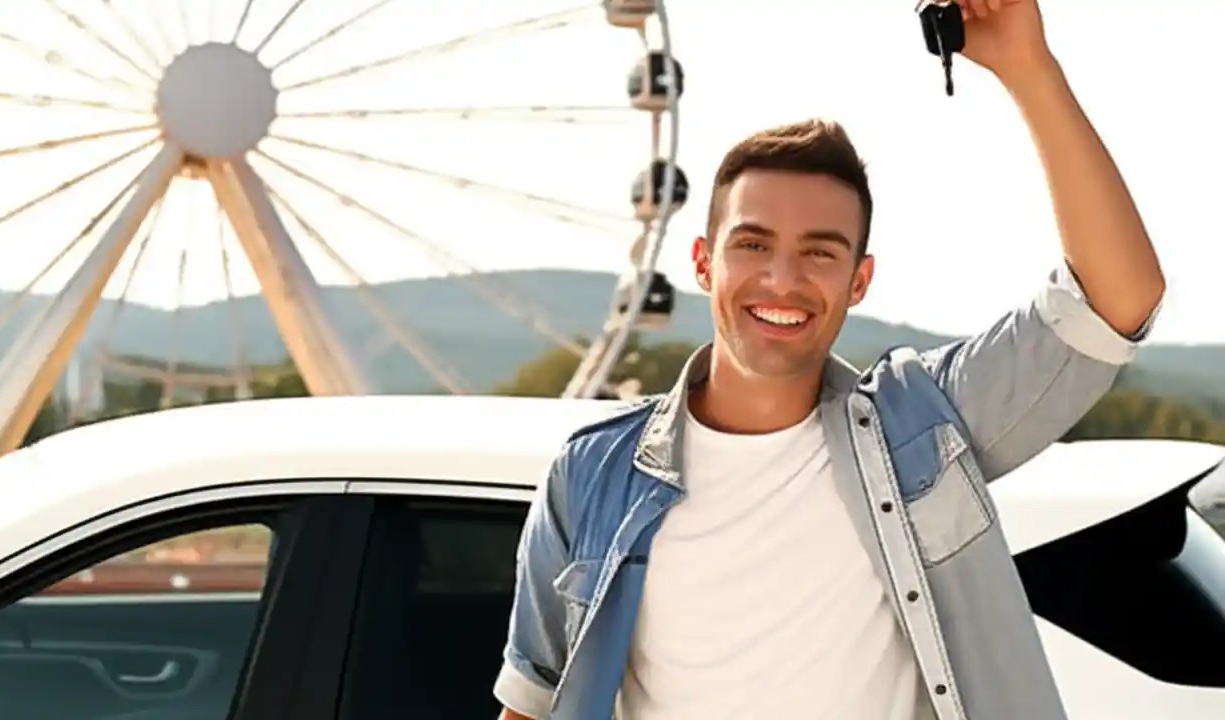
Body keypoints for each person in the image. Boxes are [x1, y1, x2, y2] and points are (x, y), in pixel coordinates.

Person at [494, 0, 1166, 717]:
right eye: (753, 244)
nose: (782, 281)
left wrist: (1029, 69)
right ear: (702, 263)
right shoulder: (591, 475)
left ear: (859, 281)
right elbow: (532, 703)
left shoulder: (921, 429)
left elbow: (1117, 299)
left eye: (820, 252)